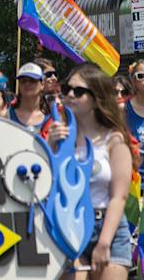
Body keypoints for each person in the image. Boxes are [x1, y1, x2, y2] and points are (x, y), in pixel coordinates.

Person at [48, 64, 135, 279]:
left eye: (78, 91)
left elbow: (119, 196)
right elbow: (45, 184)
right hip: (69, 227)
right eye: (67, 88)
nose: (69, 95)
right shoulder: (59, 136)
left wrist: (104, 242)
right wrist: (49, 146)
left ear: (96, 98)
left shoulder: (113, 139)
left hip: (107, 227)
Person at [9, 62, 50, 134]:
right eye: (23, 81)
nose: (27, 84)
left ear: (42, 84)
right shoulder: (7, 115)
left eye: (32, 80)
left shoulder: (50, 118)